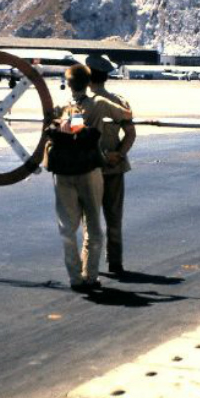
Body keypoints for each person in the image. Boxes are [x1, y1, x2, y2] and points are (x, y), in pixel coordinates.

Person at [45, 64, 132, 293]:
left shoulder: (61, 108)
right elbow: (126, 115)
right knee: (93, 226)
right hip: (89, 169)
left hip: (63, 173)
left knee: (67, 228)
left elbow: (49, 130)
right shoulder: (99, 103)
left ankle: (75, 278)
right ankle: (90, 275)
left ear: (69, 82)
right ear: (89, 81)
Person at [86, 54, 137, 277]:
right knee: (114, 216)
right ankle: (115, 262)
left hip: (90, 168)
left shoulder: (83, 104)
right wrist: (118, 154)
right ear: (106, 76)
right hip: (114, 167)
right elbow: (130, 133)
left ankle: (91, 264)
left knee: (91, 219)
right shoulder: (119, 101)